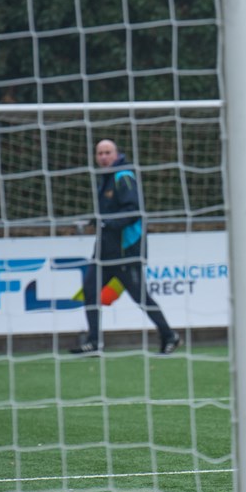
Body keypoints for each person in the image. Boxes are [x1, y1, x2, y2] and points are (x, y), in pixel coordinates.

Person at [70, 139, 180, 355]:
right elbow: (110, 213)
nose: (103, 157)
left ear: (116, 154)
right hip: (105, 251)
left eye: (107, 152)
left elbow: (133, 212)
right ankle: (94, 342)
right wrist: (95, 221)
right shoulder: (106, 178)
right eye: (99, 153)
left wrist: (107, 223)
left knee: (141, 297)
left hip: (126, 252)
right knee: (90, 291)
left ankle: (169, 335)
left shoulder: (123, 176)